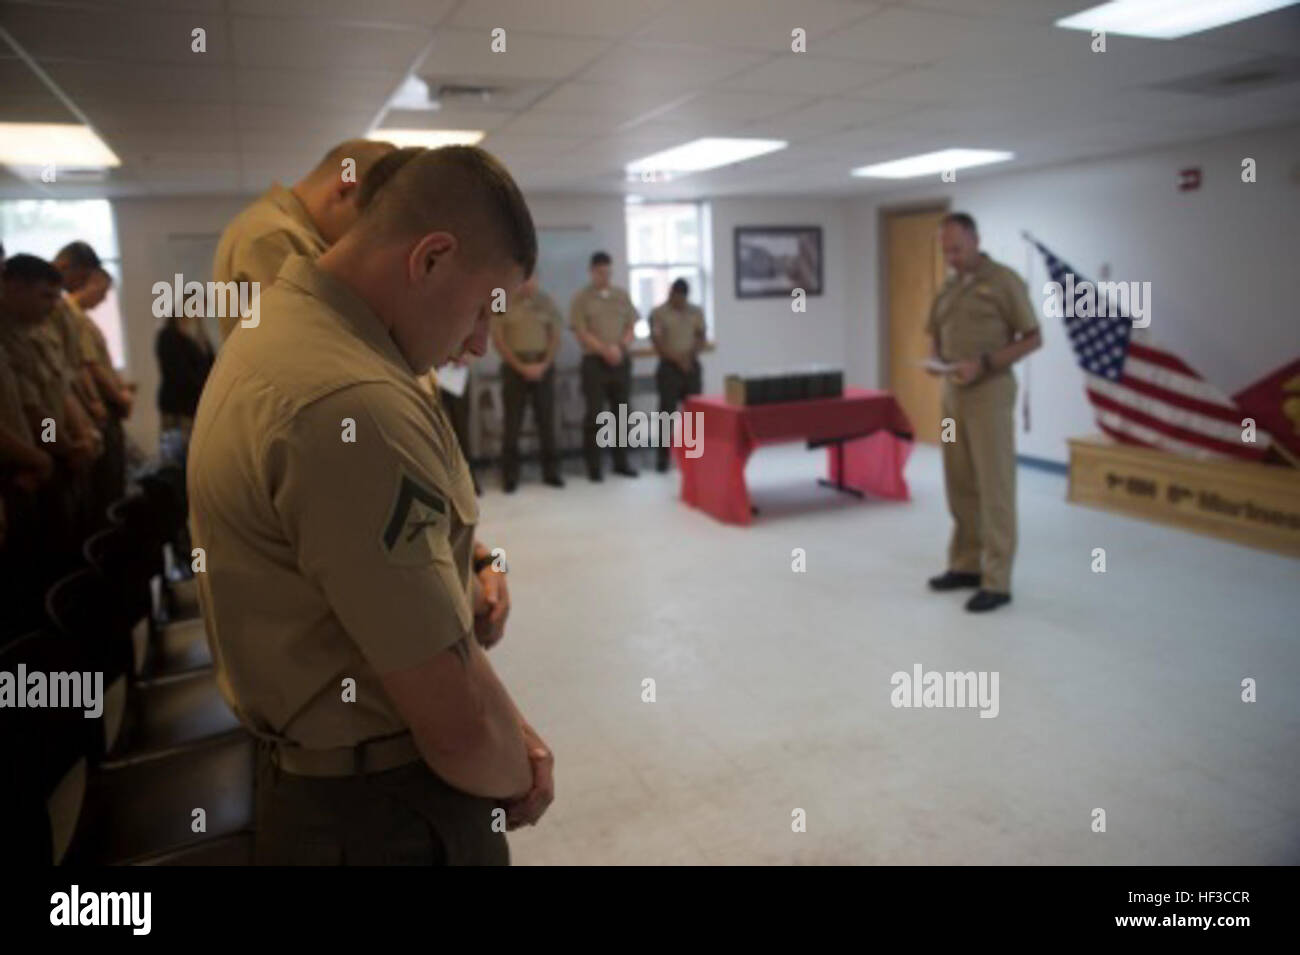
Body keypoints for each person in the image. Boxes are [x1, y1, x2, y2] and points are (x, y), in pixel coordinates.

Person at [187, 146, 554, 865]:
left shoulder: (296, 331)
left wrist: (509, 723)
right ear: (431, 258)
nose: (482, 342)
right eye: (483, 309)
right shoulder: (350, 404)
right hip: (382, 807)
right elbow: (456, 731)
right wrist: (524, 772)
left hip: (345, 773)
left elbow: (427, 616)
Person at [924, 212, 1041, 613]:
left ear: (975, 240)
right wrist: (933, 356)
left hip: (989, 395)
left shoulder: (1004, 282)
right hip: (952, 398)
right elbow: (933, 331)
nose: (951, 257)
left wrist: (986, 363)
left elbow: (1032, 338)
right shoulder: (950, 287)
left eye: (957, 248)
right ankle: (966, 563)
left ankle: (997, 580)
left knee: (995, 487)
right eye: (946, 251)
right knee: (959, 481)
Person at [212, 138, 395, 341]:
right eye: (370, 221)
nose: (368, 240)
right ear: (344, 191)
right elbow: (312, 347)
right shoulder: (272, 237)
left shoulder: (281, 233)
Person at [570, 251, 638, 481]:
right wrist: (604, 350)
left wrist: (619, 347)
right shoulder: (582, 298)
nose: (605, 277)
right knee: (595, 415)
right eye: (600, 272)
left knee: (621, 414)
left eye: (608, 272)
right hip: (594, 362)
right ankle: (595, 467)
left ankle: (622, 462)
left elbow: (631, 327)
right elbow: (581, 331)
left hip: (620, 360)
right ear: (591, 272)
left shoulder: (621, 295)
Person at [492, 273, 564, 491]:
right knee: (512, 423)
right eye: (524, 279)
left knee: (547, 420)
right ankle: (510, 476)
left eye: (533, 279)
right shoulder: (500, 298)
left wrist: (543, 364)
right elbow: (497, 338)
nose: (529, 284)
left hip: (543, 365)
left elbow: (555, 336)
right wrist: (520, 366)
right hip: (514, 367)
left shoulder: (547, 300)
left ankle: (551, 473)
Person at [648, 278, 706, 472]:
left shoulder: (695, 311)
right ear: (671, 293)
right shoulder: (658, 313)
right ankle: (662, 460)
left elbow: (701, 336)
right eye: (676, 297)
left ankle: (693, 456)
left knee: (694, 414)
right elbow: (657, 342)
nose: (679, 301)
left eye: (683, 298)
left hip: (691, 367)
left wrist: (690, 357)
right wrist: (677, 360)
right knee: (666, 414)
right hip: (669, 369)